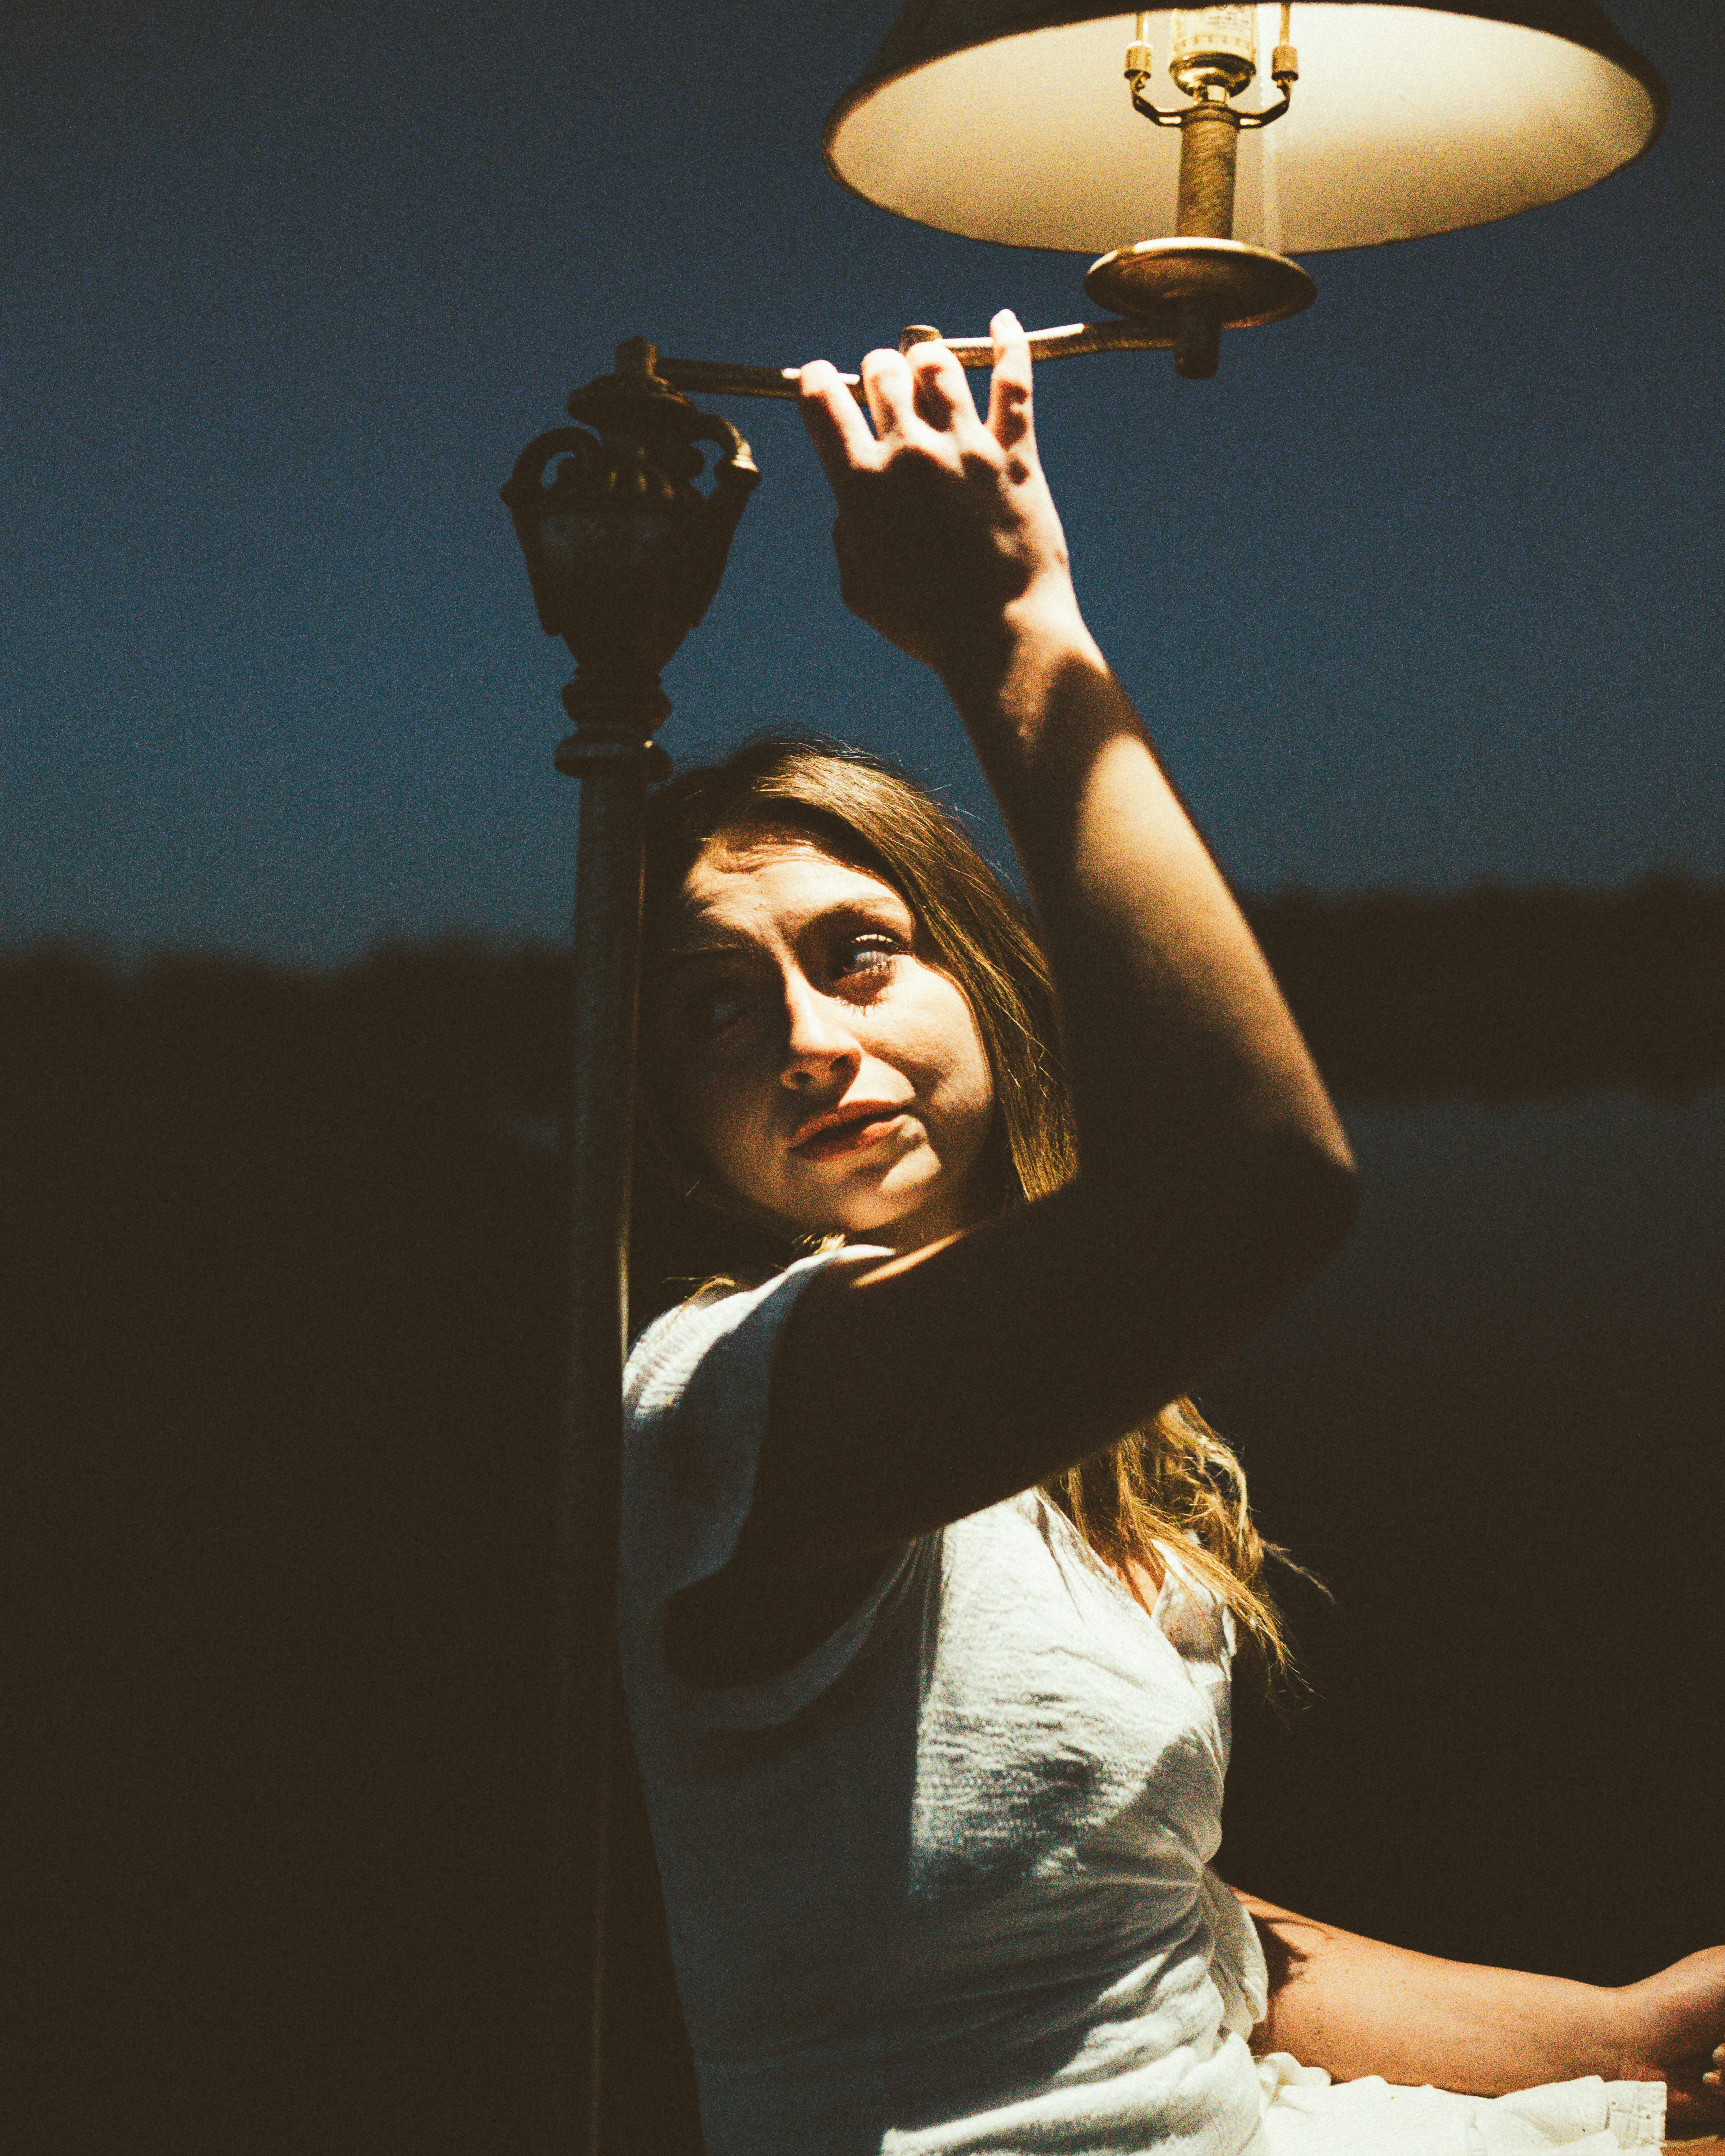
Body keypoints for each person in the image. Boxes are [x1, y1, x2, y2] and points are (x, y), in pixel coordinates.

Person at [617, 314, 1725, 2156]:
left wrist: (1621, 2034)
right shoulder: (722, 1403)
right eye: (714, 1010)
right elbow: (1252, 1186)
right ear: (670, 1120)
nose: (810, 1037)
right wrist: (1013, 633)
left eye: (856, 952)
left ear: (975, 982)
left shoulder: (1072, 1442)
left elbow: (1170, 1935)